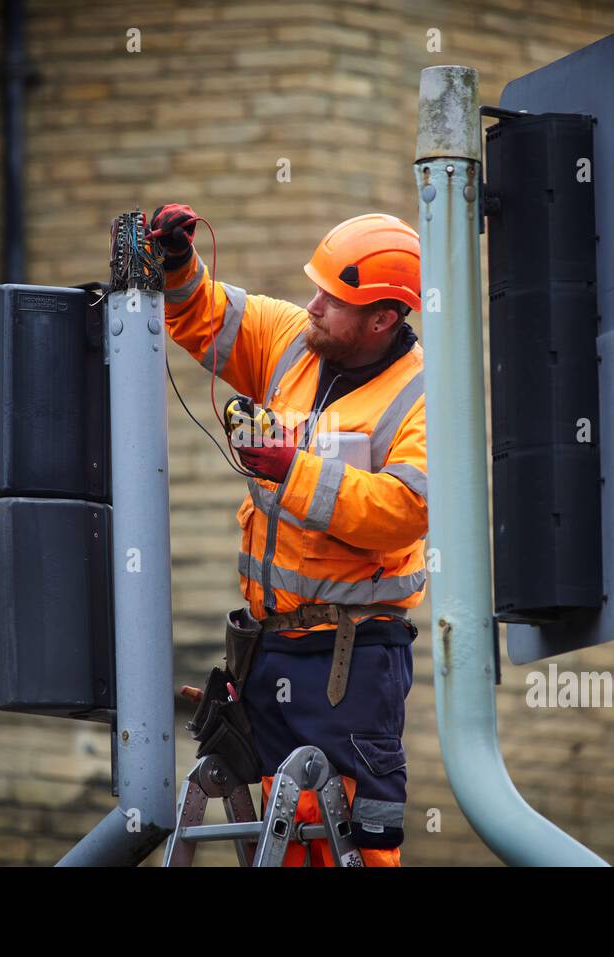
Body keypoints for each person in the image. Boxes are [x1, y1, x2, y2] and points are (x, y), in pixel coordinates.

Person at [152, 203, 427, 867]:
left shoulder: (421, 397)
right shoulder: (292, 339)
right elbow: (206, 316)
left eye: (333, 299)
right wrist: (179, 265)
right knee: (288, 834)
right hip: (269, 651)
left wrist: (291, 469)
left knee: (349, 840)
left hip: (351, 661)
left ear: (382, 319)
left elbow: (404, 509)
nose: (313, 304)